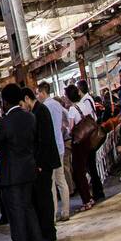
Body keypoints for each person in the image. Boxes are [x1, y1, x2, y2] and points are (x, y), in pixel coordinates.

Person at [0, 83, 45, 241]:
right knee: (29, 208)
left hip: (11, 175)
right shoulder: (30, 117)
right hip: (28, 170)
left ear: (4, 102)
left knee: (16, 214)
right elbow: (35, 143)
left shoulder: (3, 123)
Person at [26, 87, 60, 241]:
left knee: (44, 198)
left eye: (22, 103)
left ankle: (49, 233)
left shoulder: (40, 111)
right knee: (44, 197)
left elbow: (44, 140)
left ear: (27, 99)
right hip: (44, 161)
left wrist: (39, 163)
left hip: (44, 163)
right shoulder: (38, 110)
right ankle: (47, 231)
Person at [38, 83, 72, 222]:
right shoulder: (58, 105)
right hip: (60, 146)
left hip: (50, 149)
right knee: (61, 180)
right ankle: (66, 211)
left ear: (43, 92)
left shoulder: (44, 107)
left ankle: (52, 215)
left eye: (38, 93)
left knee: (50, 183)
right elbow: (67, 122)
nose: (37, 96)